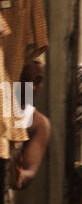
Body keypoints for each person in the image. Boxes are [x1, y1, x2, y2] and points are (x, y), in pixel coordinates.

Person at [9, 57, 50, 191]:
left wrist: (18, 176)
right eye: (24, 78)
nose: (31, 87)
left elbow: (29, 171)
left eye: (37, 81)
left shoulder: (38, 123)